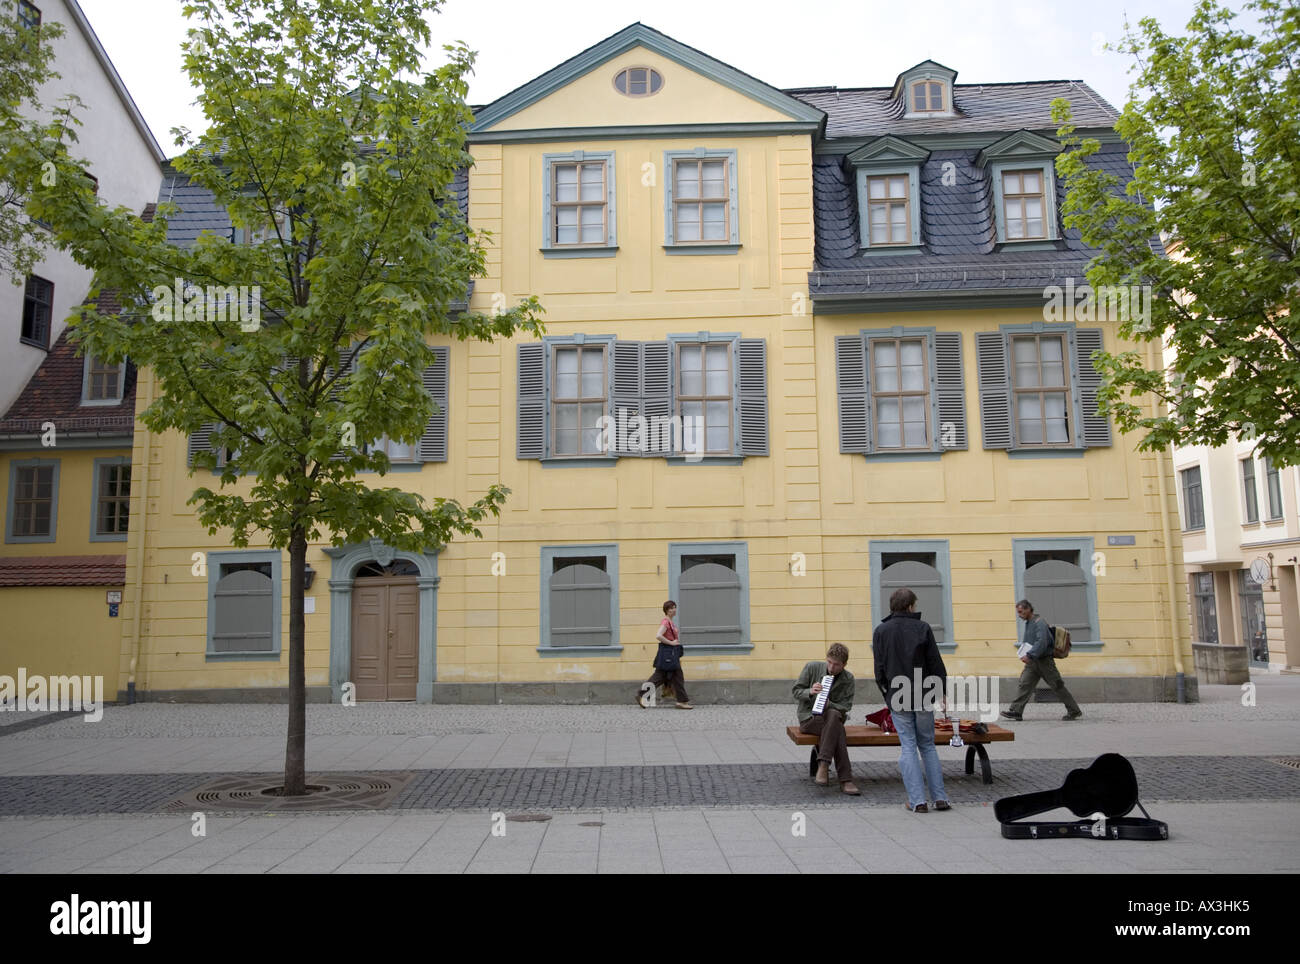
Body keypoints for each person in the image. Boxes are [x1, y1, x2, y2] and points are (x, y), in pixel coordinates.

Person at [872, 588, 950, 813]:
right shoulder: (923, 628)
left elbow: (879, 669)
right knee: (927, 745)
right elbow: (935, 662)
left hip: (897, 695)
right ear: (910, 606)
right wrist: (942, 691)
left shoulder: (881, 631)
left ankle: (917, 801)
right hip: (924, 693)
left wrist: (886, 693)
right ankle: (940, 798)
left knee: (908, 746)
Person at [792, 644, 861, 795]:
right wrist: (810, 691)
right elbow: (796, 691)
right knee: (837, 728)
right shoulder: (812, 667)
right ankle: (845, 780)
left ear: (844, 665)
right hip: (809, 719)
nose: (831, 667)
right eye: (829, 662)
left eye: (836, 665)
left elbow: (846, 706)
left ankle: (823, 765)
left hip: (831, 720)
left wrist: (831, 704)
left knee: (834, 715)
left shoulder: (848, 678)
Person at [1001, 599, 1083, 721]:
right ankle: (1016, 711)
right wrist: (1027, 655)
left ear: (1028, 609)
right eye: (1018, 612)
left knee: (1057, 686)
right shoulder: (1029, 623)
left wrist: (1029, 655)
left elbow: (1042, 642)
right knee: (1025, 684)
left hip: (1045, 661)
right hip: (1033, 662)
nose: (1019, 615)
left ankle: (1074, 711)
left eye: (1021, 612)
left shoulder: (1039, 623)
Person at [638, 600, 692, 709]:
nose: (674, 610)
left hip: (669, 655)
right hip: (669, 655)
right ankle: (681, 701)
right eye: (671, 608)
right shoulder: (666, 622)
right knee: (675, 677)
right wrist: (671, 643)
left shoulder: (670, 622)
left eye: (674, 607)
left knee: (661, 677)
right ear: (666, 610)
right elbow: (658, 635)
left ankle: (642, 695)